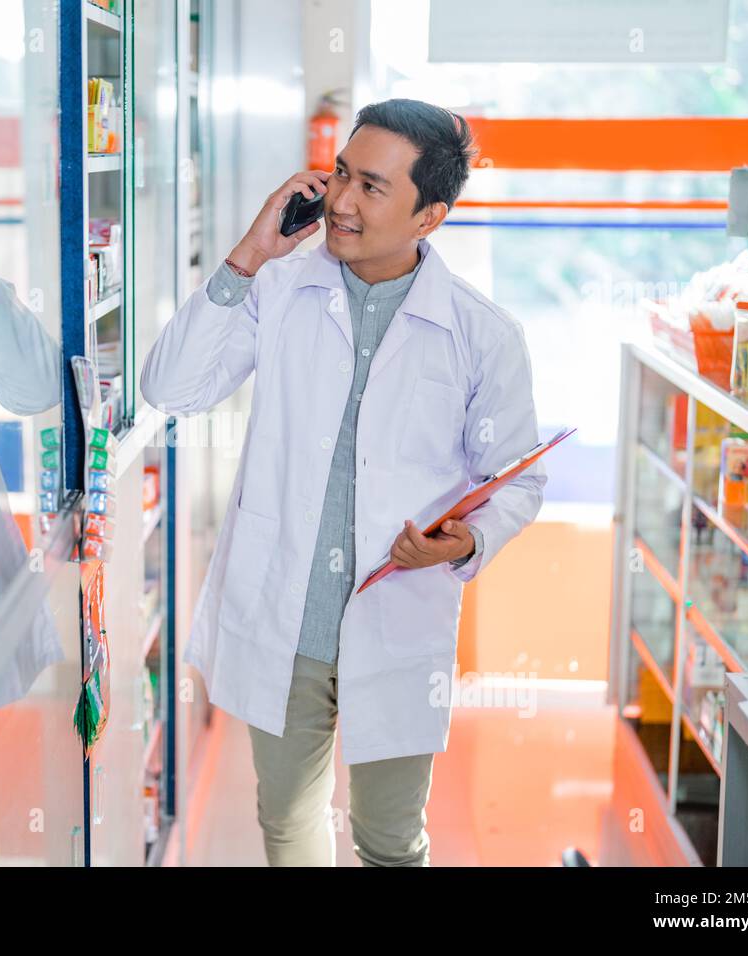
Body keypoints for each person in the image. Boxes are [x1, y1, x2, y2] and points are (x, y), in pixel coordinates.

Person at [139, 98, 546, 866]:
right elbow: (171, 387)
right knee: (288, 823)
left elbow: (516, 480)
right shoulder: (282, 287)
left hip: (395, 619)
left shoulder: (482, 335)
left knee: (389, 840)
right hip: (283, 615)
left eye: (372, 188)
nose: (342, 204)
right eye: (340, 176)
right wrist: (249, 253)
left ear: (430, 216)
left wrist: (468, 540)